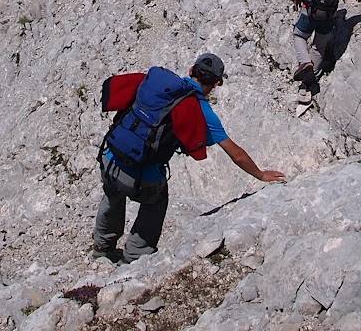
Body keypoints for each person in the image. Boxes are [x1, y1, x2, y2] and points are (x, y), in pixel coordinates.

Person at [93, 52, 286, 263]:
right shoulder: (198, 109)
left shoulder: (158, 85)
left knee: (112, 194)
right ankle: (133, 259)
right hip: (140, 177)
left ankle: (102, 249)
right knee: (156, 200)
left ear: (191, 71)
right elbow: (235, 153)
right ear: (217, 83)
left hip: (109, 158)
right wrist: (260, 174)